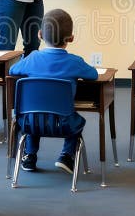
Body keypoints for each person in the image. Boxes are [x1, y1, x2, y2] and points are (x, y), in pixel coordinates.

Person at [9, 9, 98, 173]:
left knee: (35, 111)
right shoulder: (74, 62)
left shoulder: (33, 58)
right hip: (63, 124)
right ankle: (66, 156)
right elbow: (93, 74)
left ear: (40, 35)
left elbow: (13, 70)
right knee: (78, 122)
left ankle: (30, 156)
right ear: (71, 38)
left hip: (29, 123)